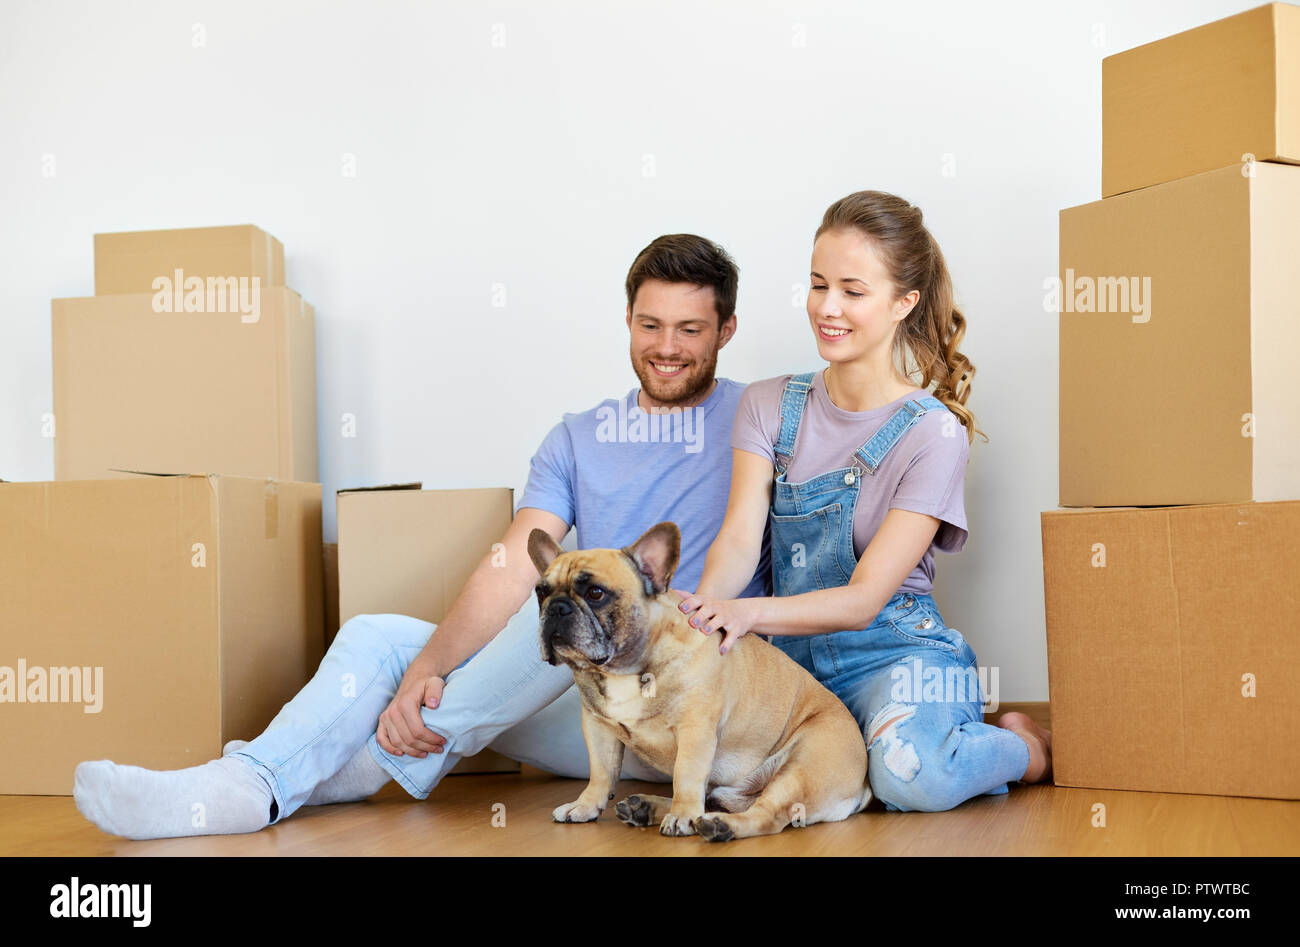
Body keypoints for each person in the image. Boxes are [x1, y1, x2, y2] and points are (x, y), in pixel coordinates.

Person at [73, 233, 769, 839]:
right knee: (394, 638)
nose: (667, 348)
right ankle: (253, 776)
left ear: (727, 329)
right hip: (592, 715)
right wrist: (423, 672)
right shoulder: (577, 437)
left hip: (690, 712)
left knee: (566, 632)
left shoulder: (759, 418)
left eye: (690, 329)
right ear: (626, 319)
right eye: (650, 325)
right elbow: (511, 566)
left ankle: (257, 787)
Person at [676, 190, 1053, 813]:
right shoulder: (768, 405)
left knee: (916, 778)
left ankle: (1025, 750)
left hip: (896, 657)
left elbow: (863, 601)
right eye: (818, 284)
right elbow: (741, 539)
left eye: (853, 291)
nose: (827, 308)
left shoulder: (933, 434)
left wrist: (747, 615)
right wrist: (709, 612)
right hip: (791, 665)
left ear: (904, 302)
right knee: (713, 775)